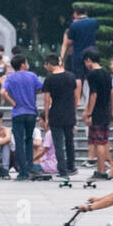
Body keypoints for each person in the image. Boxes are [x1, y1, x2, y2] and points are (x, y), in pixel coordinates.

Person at [39, 53, 78, 181]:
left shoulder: (49, 79)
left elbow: (46, 100)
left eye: (46, 65)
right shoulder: (70, 76)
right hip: (69, 112)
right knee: (69, 141)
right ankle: (71, 166)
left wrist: (46, 116)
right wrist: (74, 110)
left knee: (58, 143)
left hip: (55, 112)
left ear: (49, 64)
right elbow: (75, 95)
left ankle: (62, 170)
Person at [1, 55, 40, 180]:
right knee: (29, 139)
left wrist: (12, 102)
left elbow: (3, 92)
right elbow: (40, 88)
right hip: (31, 112)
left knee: (19, 142)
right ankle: (30, 167)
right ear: (23, 64)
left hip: (18, 112)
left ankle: (22, 171)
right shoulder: (32, 75)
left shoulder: (10, 77)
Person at [80, 47, 113, 179]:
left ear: (88, 60)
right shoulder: (106, 73)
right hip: (106, 110)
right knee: (104, 141)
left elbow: (93, 95)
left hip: (97, 112)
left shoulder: (93, 74)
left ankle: (101, 171)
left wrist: (89, 112)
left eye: (85, 62)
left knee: (97, 142)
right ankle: (103, 168)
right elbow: (111, 93)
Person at [61, 4, 100, 101]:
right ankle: (93, 97)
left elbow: (70, 41)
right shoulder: (94, 22)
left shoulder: (74, 25)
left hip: (78, 54)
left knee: (78, 78)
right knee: (93, 77)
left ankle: (77, 100)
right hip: (91, 55)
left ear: (75, 13)